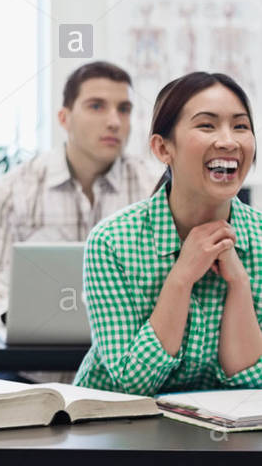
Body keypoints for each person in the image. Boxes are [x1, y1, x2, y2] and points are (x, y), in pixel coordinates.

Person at [75, 71, 261, 394]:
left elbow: (253, 385)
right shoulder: (112, 242)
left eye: (241, 126)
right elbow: (133, 382)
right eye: (207, 125)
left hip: (217, 427)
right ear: (163, 149)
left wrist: (239, 284)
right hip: (112, 420)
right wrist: (182, 276)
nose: (229, 141)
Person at [0, 61, 163, 325]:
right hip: (34, 347)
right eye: (96, 106)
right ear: (64, 118)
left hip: (129, 347)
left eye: (124, 109)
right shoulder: (15, 187)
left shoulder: (155, 187)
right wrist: (23, 319)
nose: (114, 122)